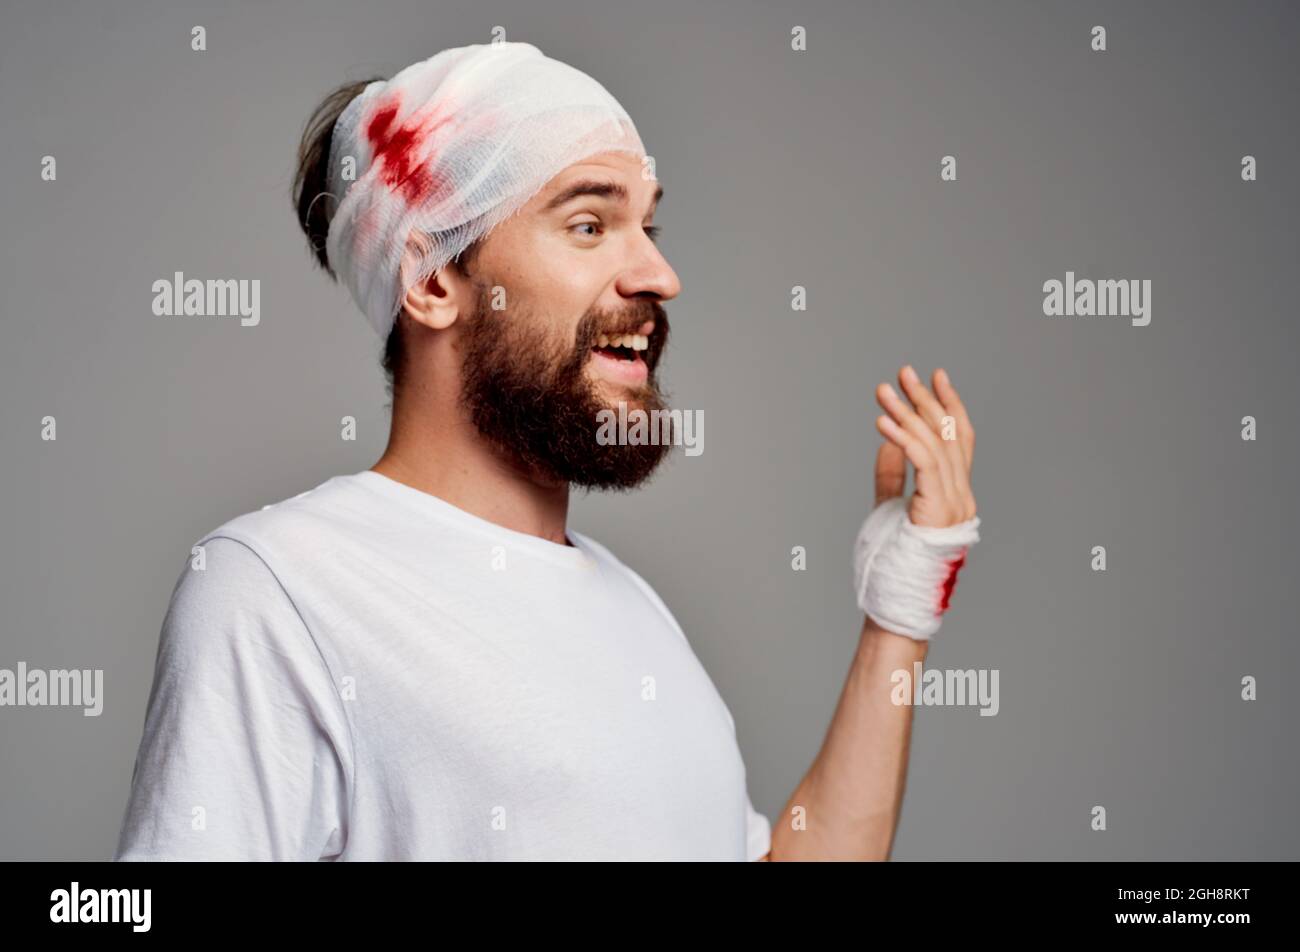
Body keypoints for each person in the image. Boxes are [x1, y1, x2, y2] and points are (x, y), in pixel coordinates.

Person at [113, 41, 980, 861]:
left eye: (650, 228)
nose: (658, 276)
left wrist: (901, 613)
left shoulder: (636, 610)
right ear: (433, 279)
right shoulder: (276, 591)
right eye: (590, 224)